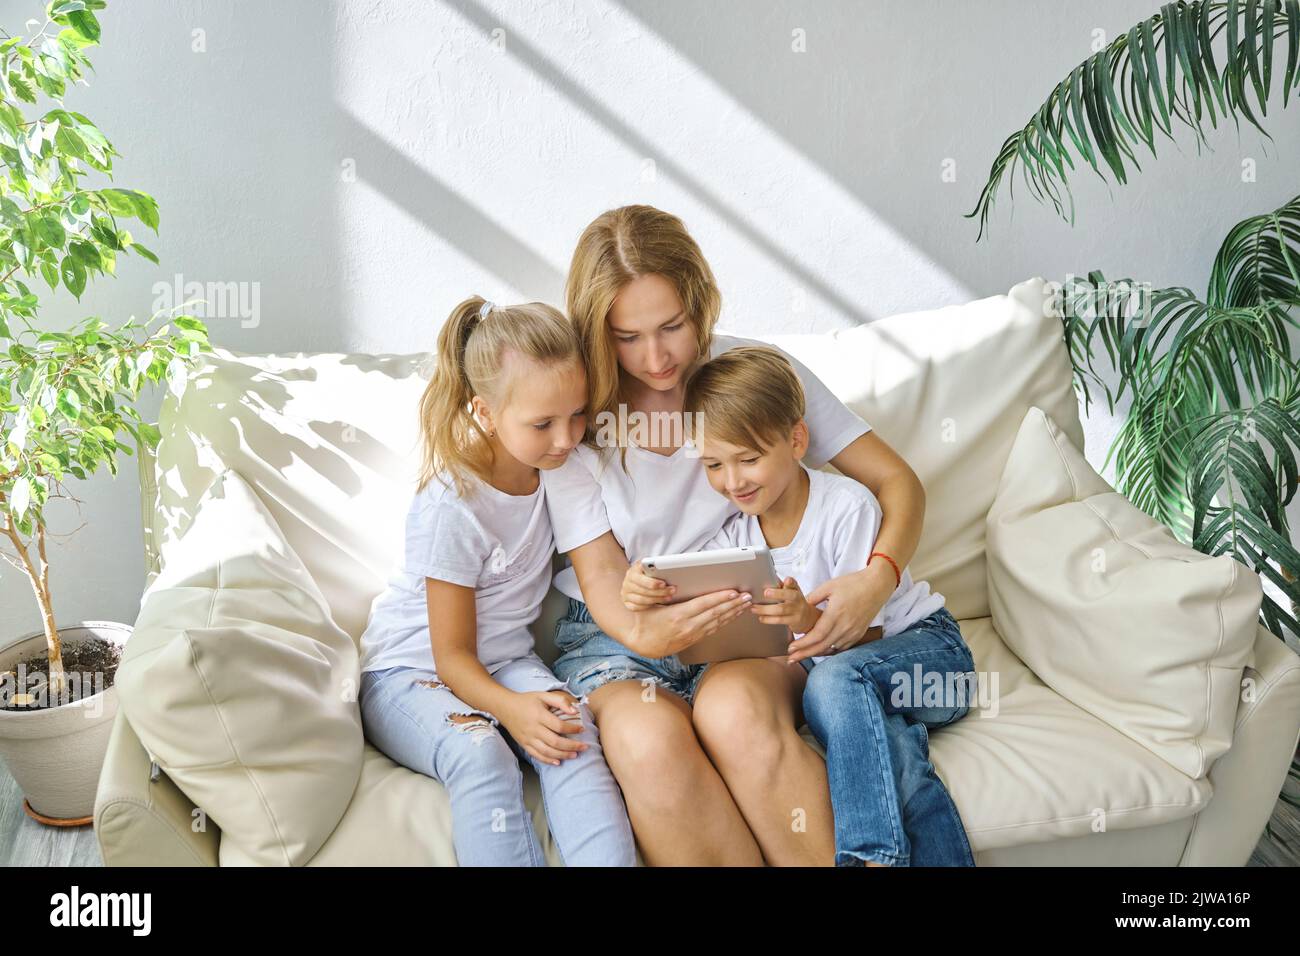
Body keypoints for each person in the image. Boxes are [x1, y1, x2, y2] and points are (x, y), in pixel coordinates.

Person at [542, 204, 929, 865]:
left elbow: (899, 483)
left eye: (672, 326)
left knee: (735, 715)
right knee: (648, 743)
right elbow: (603, 578)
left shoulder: (753, 374)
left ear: (702, 302)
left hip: (744, 624)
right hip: (619, 634)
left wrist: (877, 578)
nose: (657, 357)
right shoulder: (576, 414)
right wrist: (656, 630)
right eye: (628, 336)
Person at [656, 345, 977, 867]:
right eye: (714, 464)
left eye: (749, 459)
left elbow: (861, 635)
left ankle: (869, 856)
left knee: (833, 683)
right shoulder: (735, 534)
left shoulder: (846, 506)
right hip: (860, 690)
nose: (732, 481)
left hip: (928, 658)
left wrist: (807, 620)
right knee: (893, 754)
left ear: (796, 440)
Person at [357, 296, 636, 866]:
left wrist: (530, 703)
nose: (566, 438)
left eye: (577, 414)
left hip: (503, 663)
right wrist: (509, 710)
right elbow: (451, 656)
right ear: (485, 412)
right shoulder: (452, 506)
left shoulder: (559, 473)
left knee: (572, 730)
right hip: (412, 673)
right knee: (481, 753)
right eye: (543, 423)